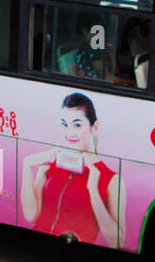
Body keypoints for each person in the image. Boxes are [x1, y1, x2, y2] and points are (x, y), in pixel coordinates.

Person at [20, 93, 126, 246]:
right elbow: (30, 215)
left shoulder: (112, 180)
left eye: (77, 125)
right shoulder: (50, 163)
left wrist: (94, 192)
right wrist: (27, 165)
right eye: (64, 124)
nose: (69, 133)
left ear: (94, 127)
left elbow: (117, 242)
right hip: (38, 250)